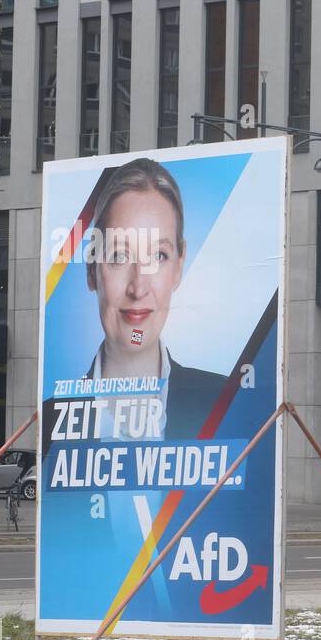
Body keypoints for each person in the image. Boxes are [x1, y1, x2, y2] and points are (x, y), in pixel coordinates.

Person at [80, 158, 228, 442]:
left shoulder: (223, 405)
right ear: (91, 270)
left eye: (158, 255)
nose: (138, 287)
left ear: (178, 266)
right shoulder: (50, 420)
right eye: (119, 256)